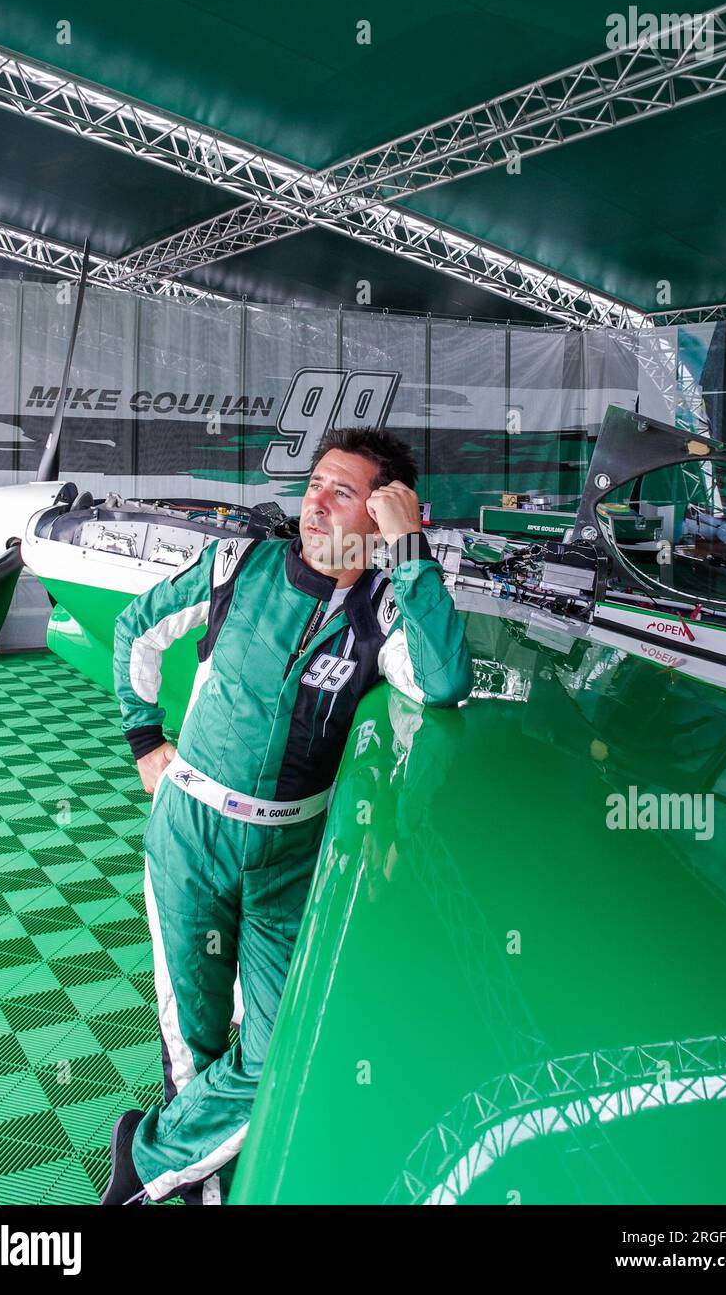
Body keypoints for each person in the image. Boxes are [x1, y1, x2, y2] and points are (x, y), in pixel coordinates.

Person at [103, 426, 474, 1204]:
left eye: (345, 493)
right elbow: (135, 625)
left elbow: (444, 682)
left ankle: (146, 1158)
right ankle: (204, 1184)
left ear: (383, 514)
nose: (316, 503)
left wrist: (410, 554)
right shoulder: (239, 566)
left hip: (289, 858)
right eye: (315, 484)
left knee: (279, 1048)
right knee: (194, 1043)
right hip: (191, 837)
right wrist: (145, 740)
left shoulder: (384, 611)